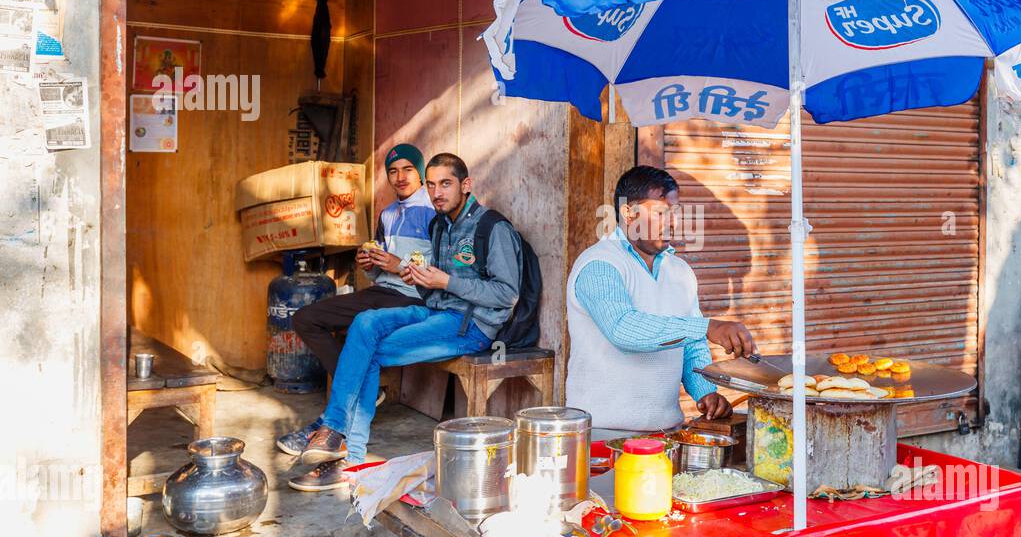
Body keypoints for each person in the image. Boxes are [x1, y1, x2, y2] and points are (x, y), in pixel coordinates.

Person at [282, 153, 524, 492]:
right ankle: (335, 430)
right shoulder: (440, 225)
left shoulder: (491, 228)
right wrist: (417, 277)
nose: (437, 192)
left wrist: (446, 282)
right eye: (432, 184)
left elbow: (506, 294)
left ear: (465, 185)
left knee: (370, 349)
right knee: (365, 324)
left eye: (446, 184)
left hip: (471, 326)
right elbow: (438, 281)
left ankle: (351, 455)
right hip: (436, 309)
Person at [565, 165, 755, 432]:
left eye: (674, 213)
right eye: (660, 213)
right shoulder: (599, 264)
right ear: (628, 213)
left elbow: (692, 346)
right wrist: (709, 327)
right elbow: (624, 330)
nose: (672, 223)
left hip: (668, 432)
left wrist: (705, 392)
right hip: (602, 434)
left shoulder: (680, 271)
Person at [289, 143, 435, 379]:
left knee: (363, 328)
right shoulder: (387, 214)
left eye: (408, 169)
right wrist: (369, 265)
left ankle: (356, 389)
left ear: (420, 173)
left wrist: (399, 265)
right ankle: (357, 384)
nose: (400, 177)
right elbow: (380, 270)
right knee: (305, 319)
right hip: (380, 292)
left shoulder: (435, 213)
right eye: (393, 171)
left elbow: (444, 270)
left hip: (415, 298)